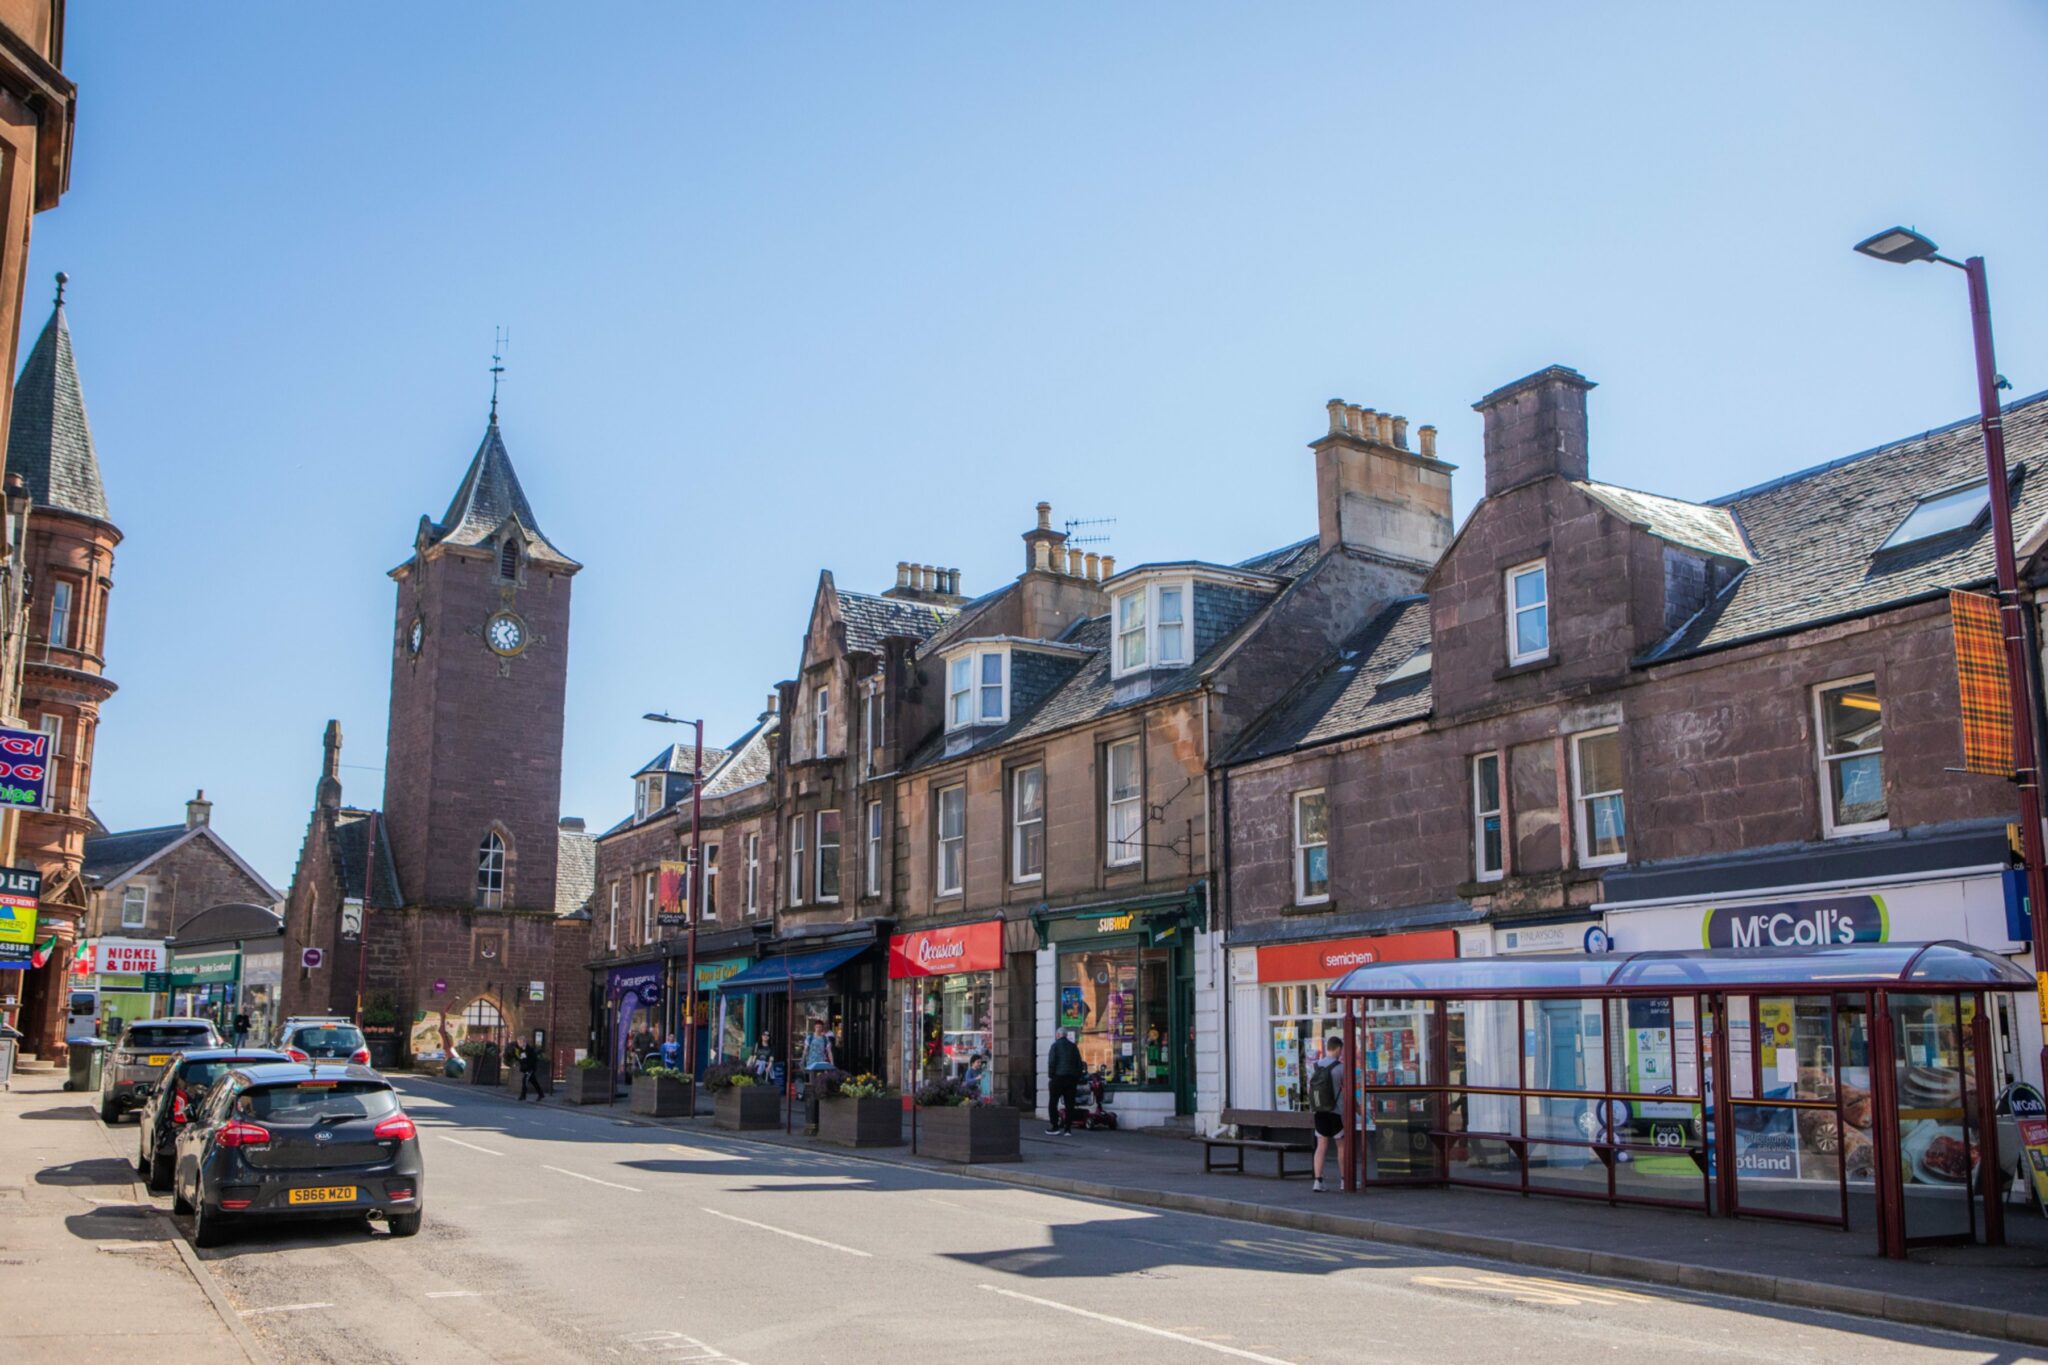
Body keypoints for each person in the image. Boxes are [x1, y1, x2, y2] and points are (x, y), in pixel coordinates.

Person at [1309, 1033, 1346, 1192]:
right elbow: (1347, 1089)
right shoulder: (1340, 1067)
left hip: (1319, 1111)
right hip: (1335, 1111)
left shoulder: (1316, 1066)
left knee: (1321, 1145)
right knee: (1341, 1146)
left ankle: (1318, 1181)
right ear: (1338, 1049)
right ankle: (1345, 1180)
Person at [1046, 1029, 1084, 1136]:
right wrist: (1076, 1077)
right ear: (1066, 1035)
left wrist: (1051, 1075)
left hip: (1058, 1077)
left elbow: (1052, 1061)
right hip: (1071, 1079)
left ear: (1058, 1035)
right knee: (1069, 1104)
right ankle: (1068, 1129)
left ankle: (1055, 1126)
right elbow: (1079, 1063)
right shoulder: (1073, 1046)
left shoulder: (1055, 1046)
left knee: (1053, 1102)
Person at [801, 1018, 835, 1135]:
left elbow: (829, 1051)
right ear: (814, 1028)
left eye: (820, 1027)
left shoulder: (825, 1039)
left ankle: (819, 1096)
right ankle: (810, 1098)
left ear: (822, 1028)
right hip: (811, 1064)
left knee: (820, 1082)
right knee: (811, 1083)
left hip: (821, 1063)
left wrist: (832, 1063)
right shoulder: (810, 1037)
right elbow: (806, 1050)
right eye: (817, 1027)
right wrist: (803, 1060)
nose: (818, 1029)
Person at [517, 1037, 548, 1101]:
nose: (519, 1044)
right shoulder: (521, 1050)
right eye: (518, 1042)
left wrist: (527, 1063)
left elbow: (533, 1059)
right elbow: (521, 1059)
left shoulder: (529, 1050)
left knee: (524, 1081)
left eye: (520, 1042)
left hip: (529, 1069)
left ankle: (523, 1096)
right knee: (534, 1082)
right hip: (525, 1068)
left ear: (524, 1042)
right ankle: (541, 1094)